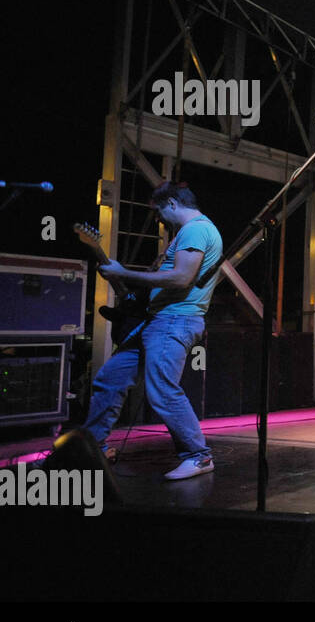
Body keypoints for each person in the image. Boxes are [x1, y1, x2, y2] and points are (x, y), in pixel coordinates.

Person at [84, 182, 223, 480]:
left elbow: (183, 277)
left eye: (158, 211)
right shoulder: (189, 233)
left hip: (174, 321)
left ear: (171, 203)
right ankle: (93, 445)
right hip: (158, 320)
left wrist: (122, 273)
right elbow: (167, 280)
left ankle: (198, 456)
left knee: (162, 389)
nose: (158, 218)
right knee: (110, 379)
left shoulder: (196, 230)